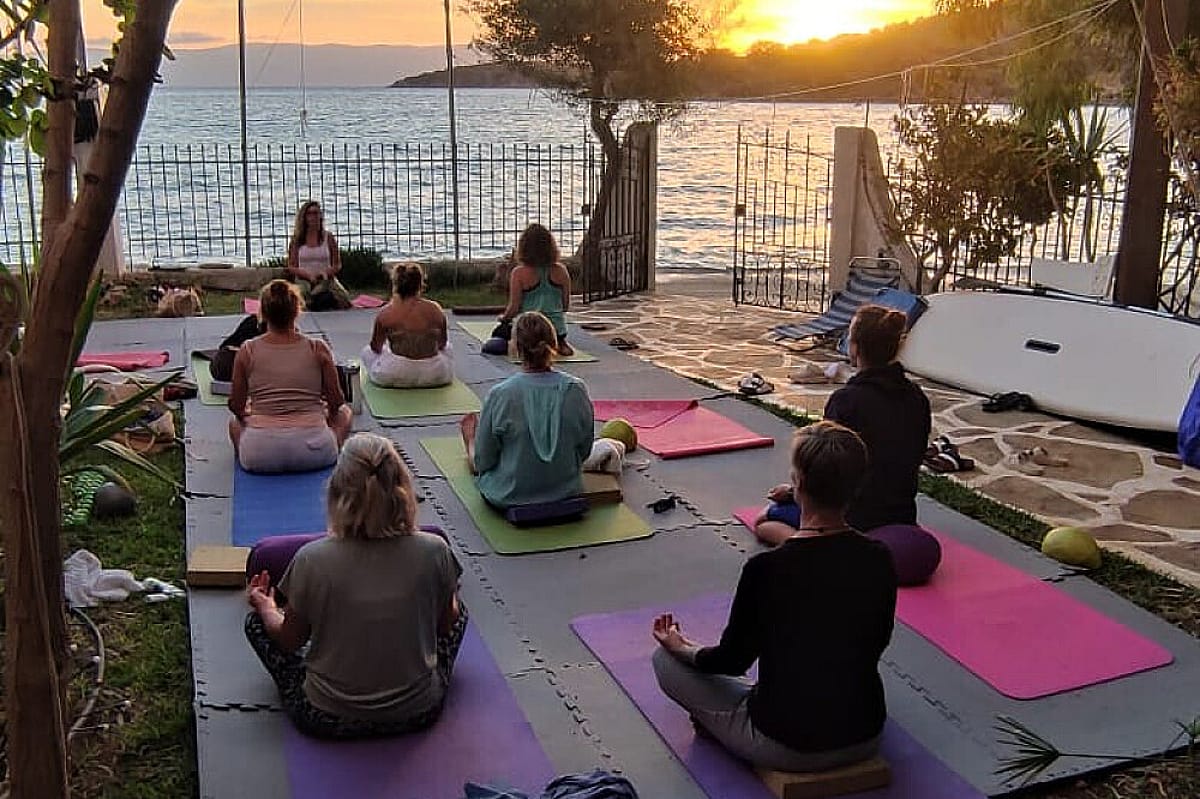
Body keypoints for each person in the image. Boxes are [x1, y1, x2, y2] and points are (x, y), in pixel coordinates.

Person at [652, 421, 897, 772]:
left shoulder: (767, 569)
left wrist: (681, 648)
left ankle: (723, 727)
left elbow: (731, 661)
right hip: (865, 735)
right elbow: (877, 641)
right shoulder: (880, 557)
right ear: (856, 487)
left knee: (663, 662)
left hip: (787, 745)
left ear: (797, 484)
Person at [245, 433, 466, 739]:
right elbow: (446, 625)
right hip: (417, 712)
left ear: (337, 493)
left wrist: (267, 608)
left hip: (327, 716)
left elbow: (288, 640)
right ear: (404, 490)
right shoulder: (435, 550)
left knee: (257, 624)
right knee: (459, 607)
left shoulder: (312, 559)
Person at [754, 304, 931, 544]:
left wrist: (794, 493)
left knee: (763, 521)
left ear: (855, 348)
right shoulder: (916, 397)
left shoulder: (847, 401)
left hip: (850, 516)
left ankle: (813, 549)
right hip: (900, 512)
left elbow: (823, 470)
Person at [459, 311, 593, 509]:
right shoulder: (576, 390)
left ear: (515, 347)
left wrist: (471, 439)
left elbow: (483, 462)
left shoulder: (501, 395)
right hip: (566, 491)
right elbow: (584, 449)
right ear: (553, 344)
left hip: (510, 495)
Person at [228, 280, 353, 473]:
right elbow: (337, 402)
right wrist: (324, 416)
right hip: (315, 453)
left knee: (234, 424)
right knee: (345, 414)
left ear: (262, 313)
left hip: (259, 455)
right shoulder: (317, 348)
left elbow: (236, 406)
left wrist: (249, 415)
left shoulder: (247, 350)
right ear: (297, 311)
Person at [360, 262, 453, 388]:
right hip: (436, 375)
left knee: (366, 352)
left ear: (396, 285)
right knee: (449, 347)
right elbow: (442, 344)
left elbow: (375, 348)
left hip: (395, 374)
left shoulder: (386, 313)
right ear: (420, 284)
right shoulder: (435, 309)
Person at [496, 223, 574, 357]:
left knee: (498, 335)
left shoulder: (519, 273)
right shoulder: (561, 270)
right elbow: (565, 306)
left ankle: (531, 346)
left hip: (528, 329)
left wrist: (504, 319)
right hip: (556, 329)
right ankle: (558, 343)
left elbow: (514, 307)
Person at [286, 200, 351, 311]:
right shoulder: (297, 239)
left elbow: (337, 264)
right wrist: (307, 275)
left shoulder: (328, 237)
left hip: (325, 279)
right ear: (304, 217)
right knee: (303, 296)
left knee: (343, 299)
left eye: (316, 213)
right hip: (304, 279)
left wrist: (325, 273)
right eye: (309, 214)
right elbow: (291, 266)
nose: (313, 217)